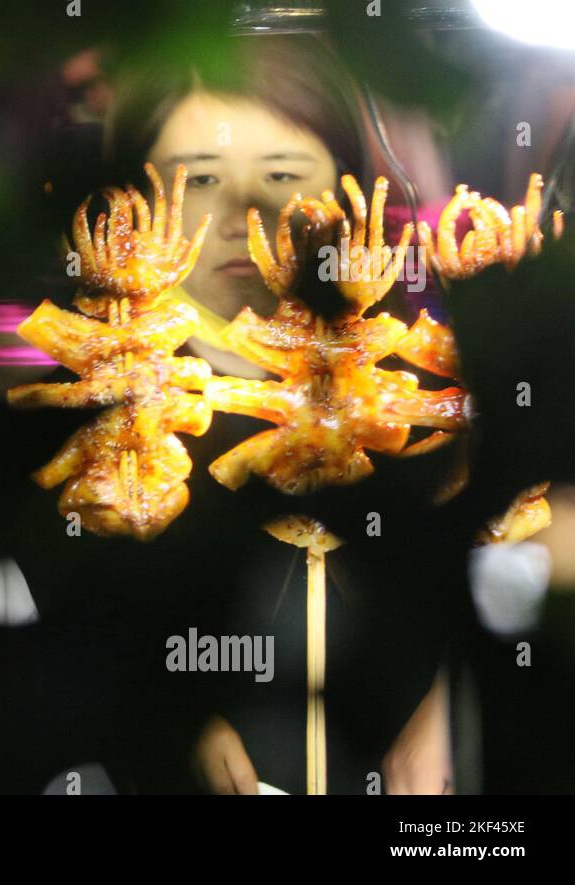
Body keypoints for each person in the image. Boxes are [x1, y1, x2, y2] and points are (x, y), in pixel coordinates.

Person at [91, 34, 454, 794]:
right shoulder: (87, 402)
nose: (241, 214)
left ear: (350, 191)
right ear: (131, 200)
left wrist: (453, 701)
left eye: (283, 175)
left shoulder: (420, 387)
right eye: (197, 181)